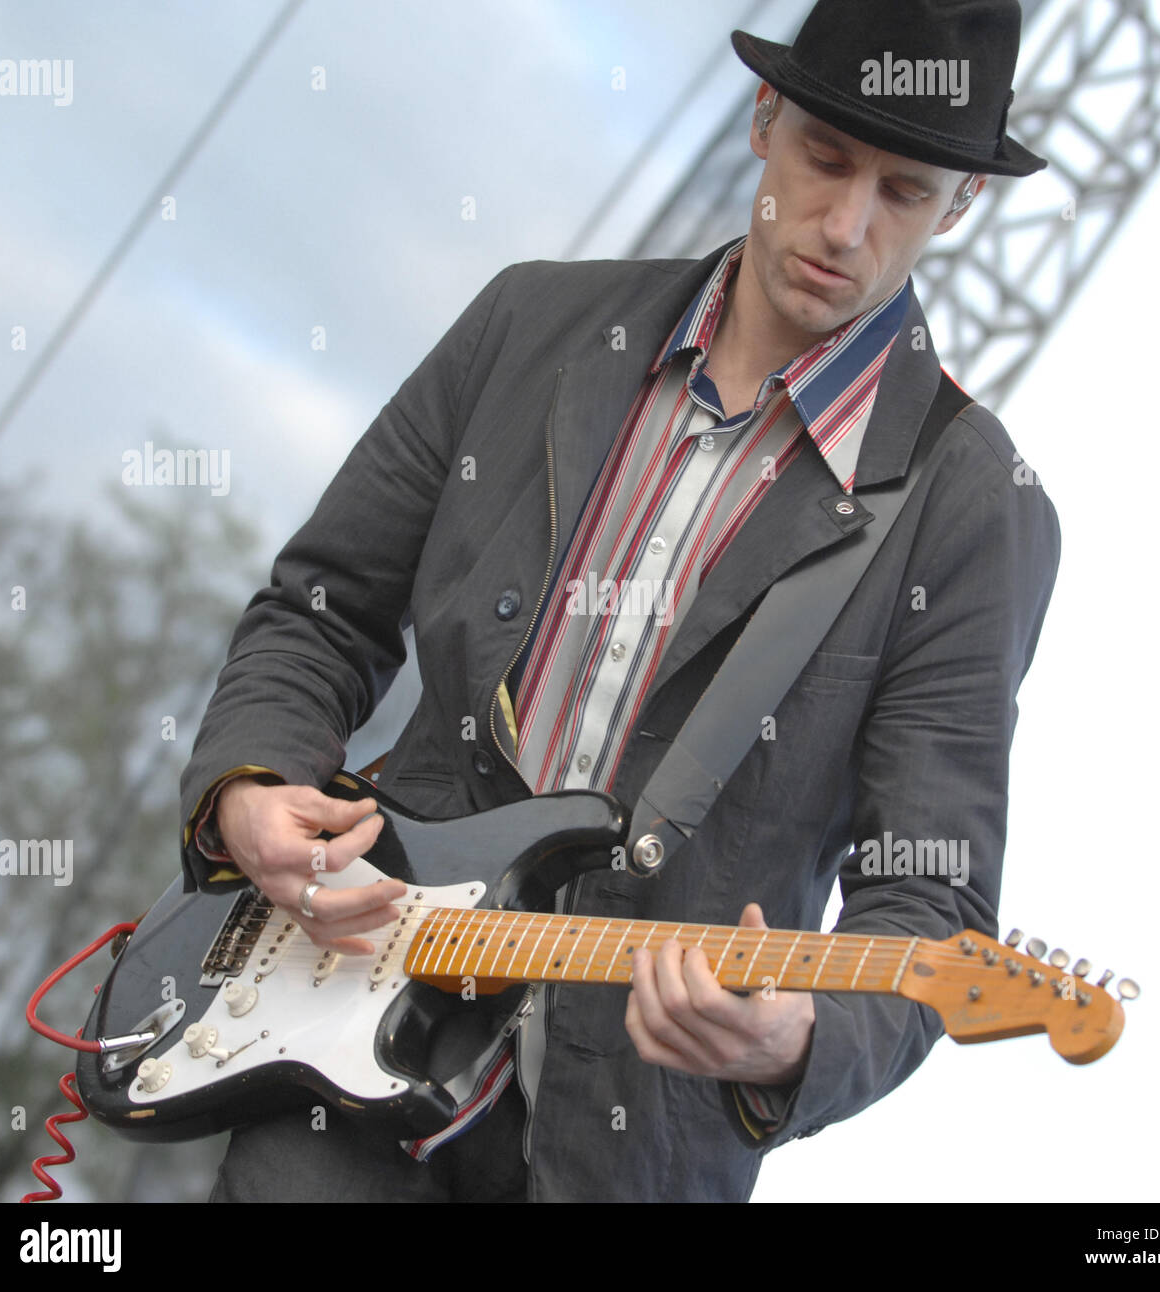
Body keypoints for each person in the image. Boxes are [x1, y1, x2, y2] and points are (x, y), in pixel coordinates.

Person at [179, 0, 1060, 1202]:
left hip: (628, 1151)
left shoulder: (973, 507)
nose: (846, 225)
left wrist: (796, 1037)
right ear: (765, 119)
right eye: (826, 157)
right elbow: (322, 609)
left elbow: (929, 898)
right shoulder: (530, 323)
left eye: (906, 192)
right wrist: (247, 787)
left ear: (961, 206)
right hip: (342, 1048)